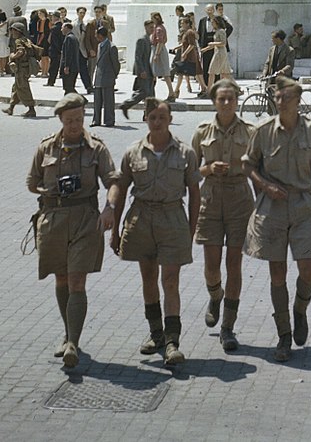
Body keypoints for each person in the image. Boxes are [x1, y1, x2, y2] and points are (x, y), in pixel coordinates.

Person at [242, 75, 311, 362]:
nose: (279, 102)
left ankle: (300, 309)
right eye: (277, 97)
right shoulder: (263, 130)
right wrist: (264, 187)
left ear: (298, 101)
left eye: (285, 98)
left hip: (304, 205)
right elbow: (248, 165)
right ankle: (284, 335)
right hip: (273, 208)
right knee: (277, 274)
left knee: (308, 271)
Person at [27, 93, 118, 369]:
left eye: (79, 119)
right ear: (61, 120)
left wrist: (110, 207)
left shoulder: (96, 149)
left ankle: (73, 344)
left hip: (85, 220)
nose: (75, 125)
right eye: (70, 121)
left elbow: (113, 180)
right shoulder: (46, 148)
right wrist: (48, 192)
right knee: (62, 279)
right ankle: (67, 334)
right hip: (53, 220)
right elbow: (32, 181)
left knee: (78, 280)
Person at [107, 98, 201, 367]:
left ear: (170, 120)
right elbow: (121, 190)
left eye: (162, 117)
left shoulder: (185, 153)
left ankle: (173, 342)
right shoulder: (132, 152)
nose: (157, 122)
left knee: (170, 280)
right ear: (145, 120)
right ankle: (155, 333)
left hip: (173, 218)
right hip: (141, 217)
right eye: (152, 117)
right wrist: (115, 231)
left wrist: (191, 230)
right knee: (148, 277)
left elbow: (195, 194)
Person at [191, 80, 255, 352]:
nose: (227, 103)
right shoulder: (202, 132)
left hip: (240, 198)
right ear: (214, 102)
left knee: (234, 263)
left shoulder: (251, 132)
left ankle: (228, 326)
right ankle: (215, 296)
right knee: (212, 263)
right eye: (221, 99)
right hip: (212, 198)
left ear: (238, 100)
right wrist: (208, 170)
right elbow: (191, 172)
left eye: (231, 98)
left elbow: (258, 169)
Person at [2, 24, 39, 118]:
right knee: (16, 88)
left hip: (21, 68)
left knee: (23, 87)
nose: (12, 32)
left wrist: (12, 57)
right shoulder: (25, 40)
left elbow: (20, 51)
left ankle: (31, 109)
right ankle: (11, 108)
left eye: (14, 30)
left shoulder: (19, 40)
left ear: (18, 31)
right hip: (24, 67)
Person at [121, 20, 156, 117]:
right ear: (145, 28)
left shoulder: (148, 40)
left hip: (148, 70)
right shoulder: (142, 40)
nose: (152, 29)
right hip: (143, 71)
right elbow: (138, 57)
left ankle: (148, 114)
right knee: (144, 92)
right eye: (150, 27)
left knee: (151, 94)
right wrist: (141, 71)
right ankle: (126, 104)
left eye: (153, 27)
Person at [91, 26, 120, 128]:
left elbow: (116, 64)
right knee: (97, 101)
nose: (95, 36)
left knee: (108, 101)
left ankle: (109, 120)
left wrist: (113, 75)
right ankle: (96, 120)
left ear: (100, 35)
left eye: (96, 34)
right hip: (99, 77)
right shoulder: (99, 46)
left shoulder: (111, 47)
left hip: (108, 77)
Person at [201, 19, 233, 89]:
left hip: (220, 53)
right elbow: (215, 44)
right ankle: (237, 89)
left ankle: (209, 91)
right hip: (218, 52)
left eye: (213, 22)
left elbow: (223, 43)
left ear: (217, 23)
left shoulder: (221, 31)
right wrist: (205, 49)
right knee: (225, 73)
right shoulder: (217, 31)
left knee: (212, 72)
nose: (212, 24)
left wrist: (213, 43)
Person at [150, 12, 175, 102]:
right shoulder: (159, 28)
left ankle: (171, 93)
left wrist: (156, 54)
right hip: (158, 50)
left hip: (158, 50)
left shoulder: (159, 29)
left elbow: (160, 42)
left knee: (162, 72)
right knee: (158, 73)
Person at [59, 20, 80, 95]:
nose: (61, 30)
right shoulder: (74, 37)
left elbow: (68, 53)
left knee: (68, 88)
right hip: (74, 67)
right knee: (69, 88)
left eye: (62, 28)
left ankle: (81, 100)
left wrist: (66, 66)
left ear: (66, 28)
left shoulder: (69, 38)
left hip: (70, 67)